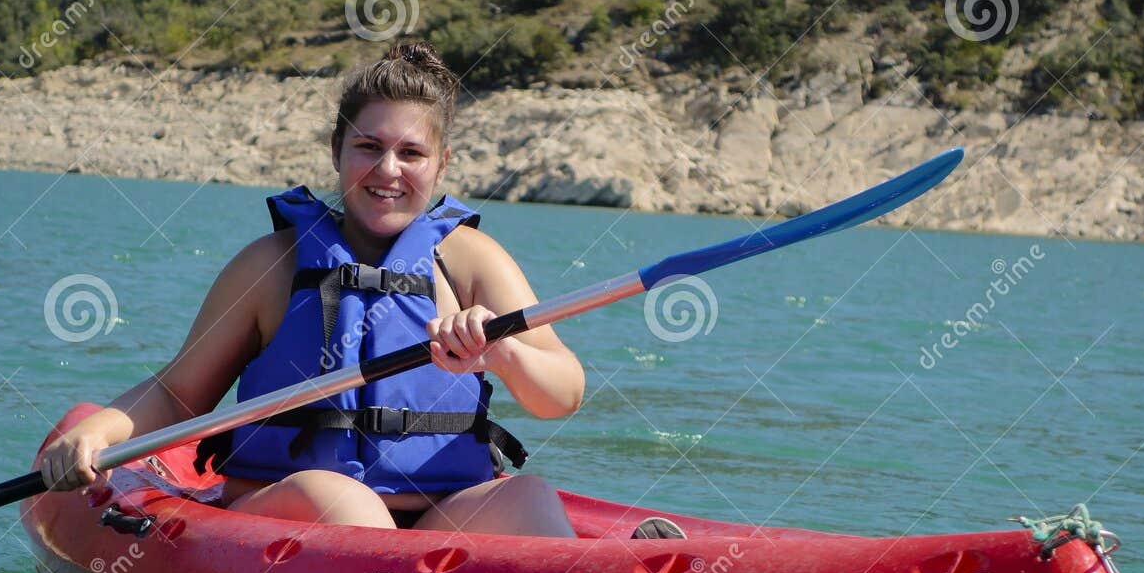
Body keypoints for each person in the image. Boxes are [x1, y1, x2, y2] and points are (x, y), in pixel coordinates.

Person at [40, 41, 684, 538]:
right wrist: (99, 431)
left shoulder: (471, 261)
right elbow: (181, 393)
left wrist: (502, 351)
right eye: (368, 147)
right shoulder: (273, 265)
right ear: (336, 150)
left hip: (438, 516)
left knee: (529, 496)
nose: (387, 171)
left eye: (411, 153)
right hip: (291, 511)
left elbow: (562, 394)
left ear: (442, 164)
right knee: (340, 497)